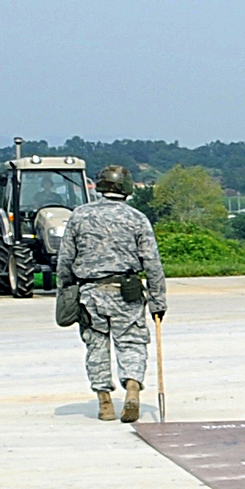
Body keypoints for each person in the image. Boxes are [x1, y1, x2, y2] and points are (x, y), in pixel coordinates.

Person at [57, 165, 166, 423]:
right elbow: (152, 262)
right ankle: (131, 388)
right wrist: (158, 301)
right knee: (131, 342)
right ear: (127, 188)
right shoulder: (137, 218)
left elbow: (65, 260)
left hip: (90, 293)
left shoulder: (79, 216)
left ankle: (104, 401)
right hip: (126, 292)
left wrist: (65, 291)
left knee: (96, 345)